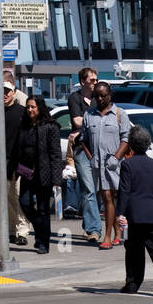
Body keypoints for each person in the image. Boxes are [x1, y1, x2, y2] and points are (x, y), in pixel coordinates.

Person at [117, 125, 153, 297]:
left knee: (134, 251)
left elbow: (124, 191)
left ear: (131, 145)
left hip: (135, 216)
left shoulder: (127, 165)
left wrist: (120, 213)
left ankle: (133, 283)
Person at [80, 82, 130, 249]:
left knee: (111, 197)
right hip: (97, 165)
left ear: (110, 95)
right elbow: (83, 139)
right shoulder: (89, 115)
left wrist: (116, 157)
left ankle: (108, 236)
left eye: (104, 95)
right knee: (106, 198)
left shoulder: (119, 114)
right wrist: (90, 156)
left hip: (114, 165)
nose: (101, 99)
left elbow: (126, 138)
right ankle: (115, 231)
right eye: (97, 96)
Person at [16, 96, 63, 255]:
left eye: (33, 107)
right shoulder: (24, 126)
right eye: (28, 107)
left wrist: (57, 179)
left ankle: (44, 242)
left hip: (44, 174)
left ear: (40, 108)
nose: (30, 110)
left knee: (43, 209)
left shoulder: (50, 127)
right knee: (24, 203)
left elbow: (56, 155)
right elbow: (18, 149)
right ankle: (39, 229)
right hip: (27, 173)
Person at [0, 80, 29, 246]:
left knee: (19, 195)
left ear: (14, 92)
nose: (4, 94)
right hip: (2, 161)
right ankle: (11, 230)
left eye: (7, 91)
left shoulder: (22, 112)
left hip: (20, 161)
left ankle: (23, 230)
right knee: (5, 196)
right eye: (1, 91)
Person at [66, 67, 101, 245]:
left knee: (99, 190)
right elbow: (76, 121)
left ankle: (89, 220)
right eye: (92, 80)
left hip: (99, 149)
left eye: (96, 80)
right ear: (83, 82)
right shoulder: (75, 98)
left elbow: (84, 122)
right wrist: (96, 120)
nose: (95, 83)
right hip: (82, 149)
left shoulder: (99, 98)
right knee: (88, 188)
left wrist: (85, 124)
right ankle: (94, 229)